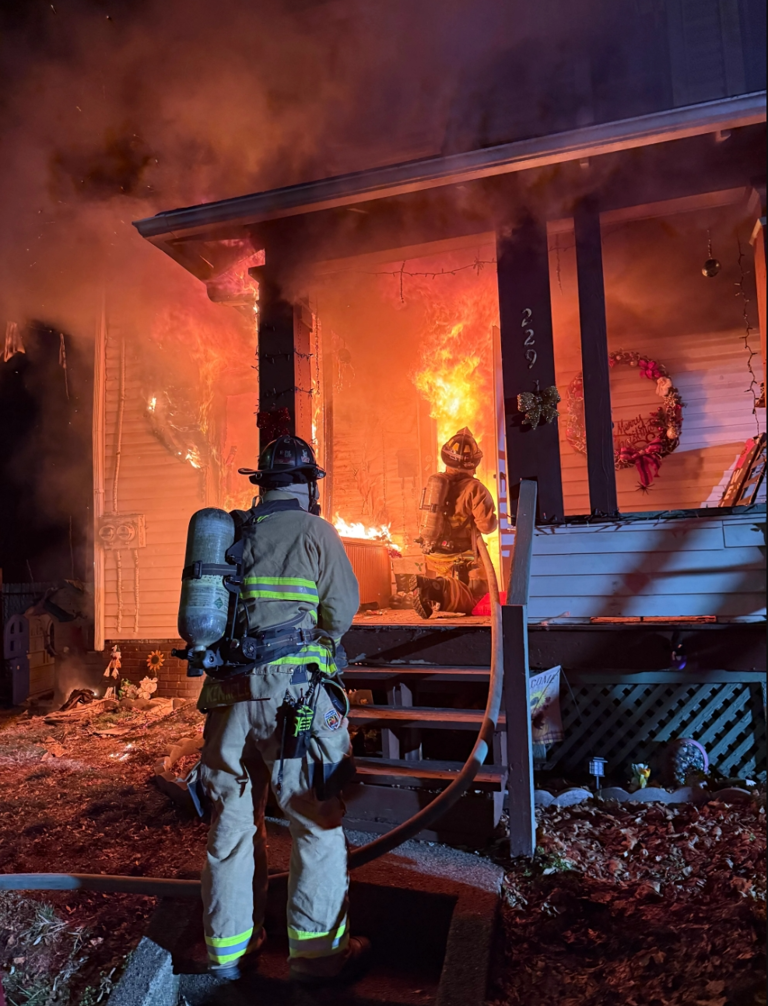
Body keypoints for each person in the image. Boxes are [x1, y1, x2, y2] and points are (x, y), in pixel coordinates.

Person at [196, 435, 370, 983]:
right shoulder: (316, 531)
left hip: (228, 702)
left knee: (232, 823)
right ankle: (316, 958)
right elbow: (341, 610)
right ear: (308, 484)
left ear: (262, 484)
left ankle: (227, 952)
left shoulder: (232, 533)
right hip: (293, 700)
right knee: (313, 819)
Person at [412, 427, 497, 618]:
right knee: (478, 600)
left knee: (458, 592)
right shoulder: (475, 488)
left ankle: (432, 589)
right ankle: (433, 590)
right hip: (464, 558)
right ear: (474, 462)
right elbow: (487, 526)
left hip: (434, 557)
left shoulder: (434, 485)